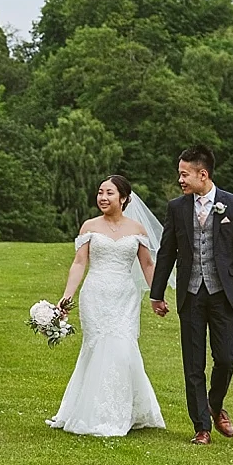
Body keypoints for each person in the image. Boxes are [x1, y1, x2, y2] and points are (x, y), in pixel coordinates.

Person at [150, 146, 233, 445]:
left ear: (203, 174)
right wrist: (157, 293)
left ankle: (215, 404)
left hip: (223, 294)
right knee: (193, 363)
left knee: (226, 358)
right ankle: (201, 428)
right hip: (191, 293)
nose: (180, 180)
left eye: (184, 174)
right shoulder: (177, 208)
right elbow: (167, 251)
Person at [47, 174, 166, 437]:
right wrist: (67, 296)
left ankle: (125, 411)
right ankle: (93, 412)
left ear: (123, 198)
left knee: (123, 350)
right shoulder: (89, 226)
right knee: (98, 348)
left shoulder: (136, 229)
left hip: (125, 296)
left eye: (109, 193)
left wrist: (156, 296)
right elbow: (80, 263)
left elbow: (147, 264)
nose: (103, 197)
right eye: (100, 192)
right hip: (96, 294)